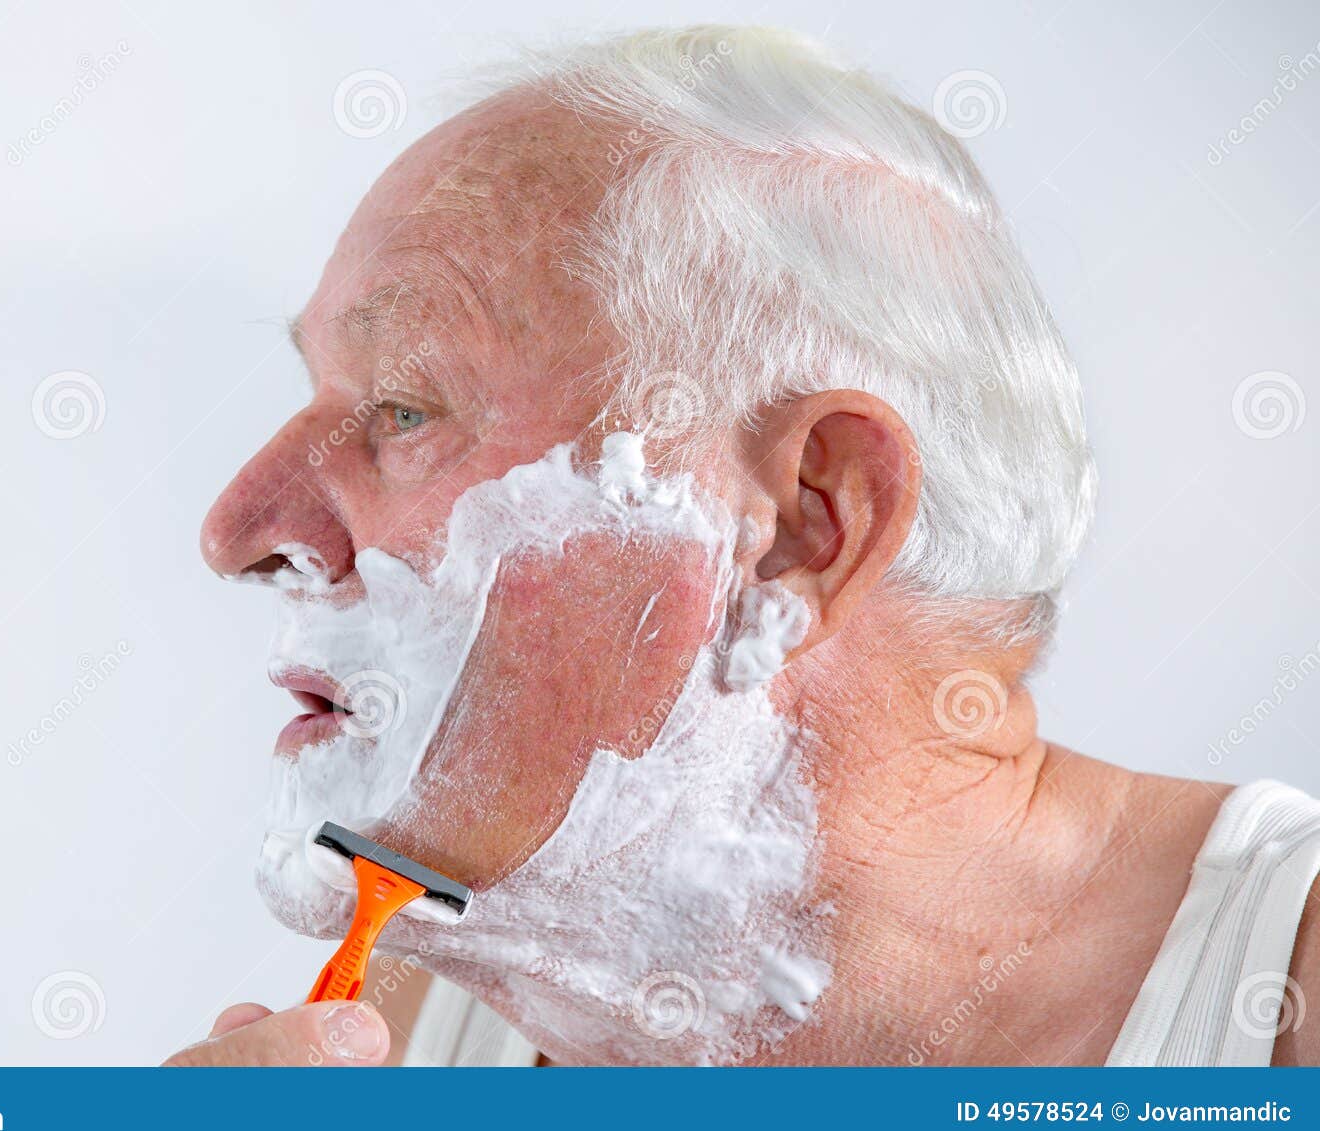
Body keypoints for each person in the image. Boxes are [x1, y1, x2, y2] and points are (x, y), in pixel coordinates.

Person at [166, 27, 1320, 1067]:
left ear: (807, 523)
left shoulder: (1284, 1000)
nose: (238, 529)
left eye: (405, 407)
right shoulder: (412, 1041)